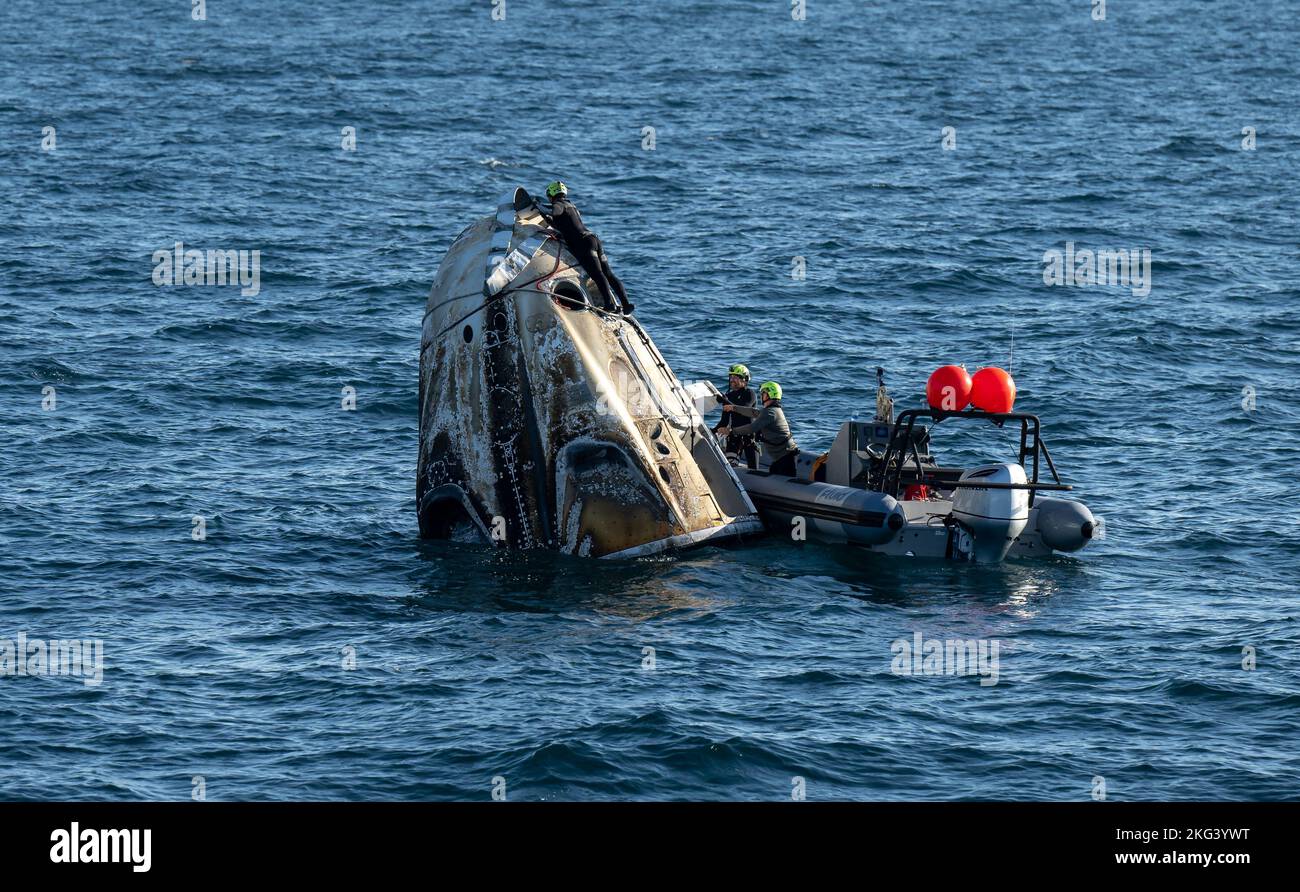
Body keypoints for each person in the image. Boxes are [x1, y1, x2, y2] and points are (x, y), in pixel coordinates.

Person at [541, 181, 633, 314]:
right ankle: (627, 305)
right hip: (593, 239)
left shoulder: (558, 204)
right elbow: (566, 225)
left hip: (583, 243)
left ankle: (609, 305)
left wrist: (541, 210)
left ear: (551, 194)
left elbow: (554, 212)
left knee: (597, 274)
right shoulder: (571, 206)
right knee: (608, 273)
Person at [725, 381, 800, 476]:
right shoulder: (771, 410)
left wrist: (731, 431)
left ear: (770, 394)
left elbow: (752, 428)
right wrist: (734, 408)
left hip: (786, 457)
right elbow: (753, 412)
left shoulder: (771, 412)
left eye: (763, 393)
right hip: (781, 457)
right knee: (774, 473)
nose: (761, 396)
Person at [712, 364, 758, 469]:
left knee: (754, 468)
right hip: (734, 436)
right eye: (731, 377)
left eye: (735, 377)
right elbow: (724, 421)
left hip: (749, 436)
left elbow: (744, 409)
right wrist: (712, 431)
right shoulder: (729, 396)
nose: (732, 380)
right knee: (731, 466)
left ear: (745, 379)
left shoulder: (750, 393)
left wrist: (725, 401)